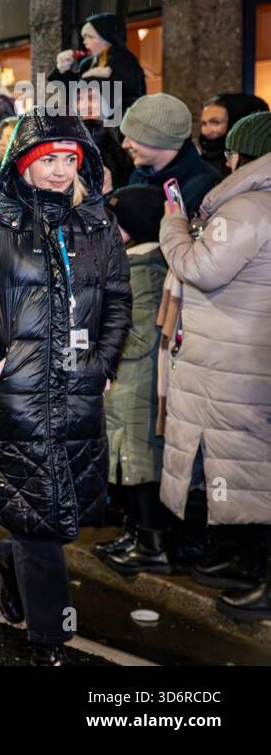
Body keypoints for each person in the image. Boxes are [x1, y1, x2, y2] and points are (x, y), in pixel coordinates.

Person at [0, 108, 132, 665]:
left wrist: (104, 364)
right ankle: (49, 638)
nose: (59, 170)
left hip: (77, 389)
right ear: (23, 164)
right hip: (16, 396)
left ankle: (8, 556)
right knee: (40, 524)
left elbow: (118, 302)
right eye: (48, 159)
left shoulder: (98, 226)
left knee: (59, 511)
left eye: (69, 160)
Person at [156, 111, 271, 621]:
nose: (224, 160)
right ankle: (247, 564)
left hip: (237, 359)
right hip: (242, 357)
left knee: (248, 465)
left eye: (230, 151)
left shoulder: (249, 207)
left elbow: (201, 267)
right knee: (244, 466)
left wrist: (173, 226)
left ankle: (261, 576)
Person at [95, 185, 170, 575]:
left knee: (140, 464)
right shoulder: (130, 266)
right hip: (125, 381)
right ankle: (133, 531)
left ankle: (151, 542)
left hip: (138, 382)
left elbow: (141, 337)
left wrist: (102, 340)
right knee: (124, 463)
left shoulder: (146, 273)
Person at [120, 93, 220, 212]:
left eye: (133, 138)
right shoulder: (141, 173)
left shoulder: (203, 187)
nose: (124, 145)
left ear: (160, 140)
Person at [47, 12, 147, 124]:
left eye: (90, 37)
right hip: (90, 123)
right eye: (84, 37)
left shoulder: (124, 61)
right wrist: (62, 71)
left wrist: (96, 78)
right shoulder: (87, 63)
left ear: (107, 38)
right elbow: (75, 90)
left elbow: (127, 94)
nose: (85, 42)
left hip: (116, 124)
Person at [198, 93, 267, 180]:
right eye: (204, 123)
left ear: (238, 124)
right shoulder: (202, 162)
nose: (205, 131)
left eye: (215, 122)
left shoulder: (259, 169)